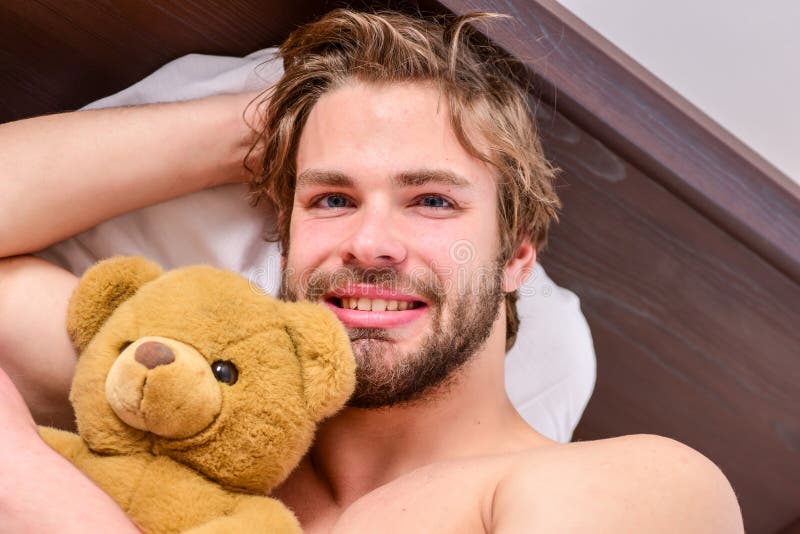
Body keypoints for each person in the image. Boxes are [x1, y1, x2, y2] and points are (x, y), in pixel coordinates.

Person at [0, 8, 743, 533]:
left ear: (516, 254)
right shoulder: (192, 404)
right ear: (285, 240)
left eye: (430, 200)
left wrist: (28, 489)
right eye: (332, 198)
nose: (371, 243)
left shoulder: (634, 485)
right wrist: (258, 131)